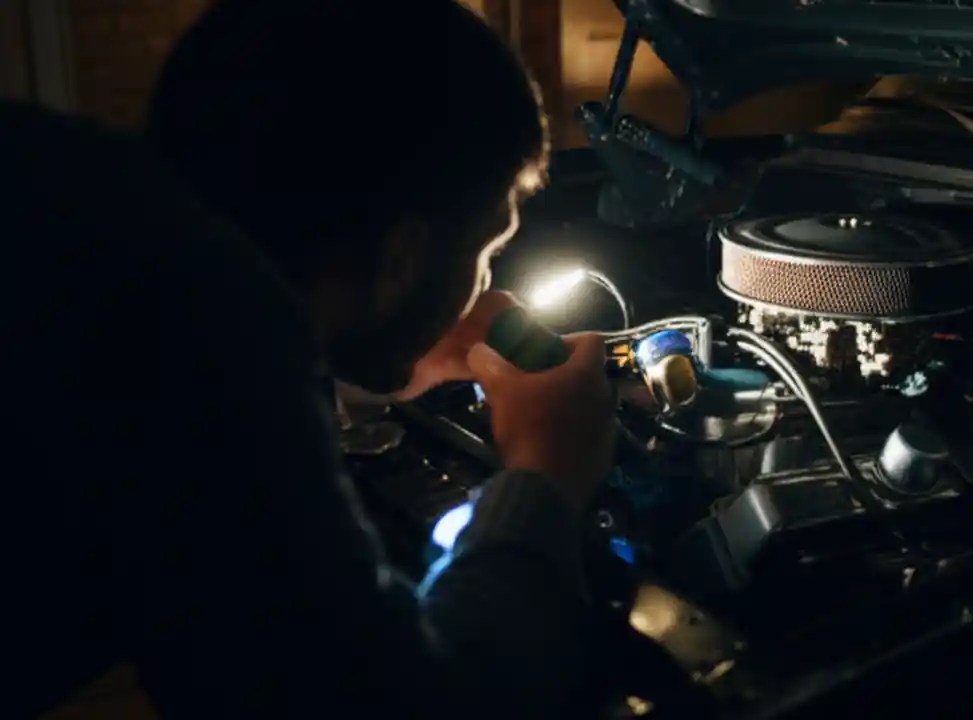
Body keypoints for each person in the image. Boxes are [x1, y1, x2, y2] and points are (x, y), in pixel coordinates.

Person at [8, 0, 615, 717]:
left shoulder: (90, 198)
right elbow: (397, 702)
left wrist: (361, 355)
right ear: (400, 258)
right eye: (484, 253)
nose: (484, 286)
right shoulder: (201, 335)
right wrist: (545, 475)